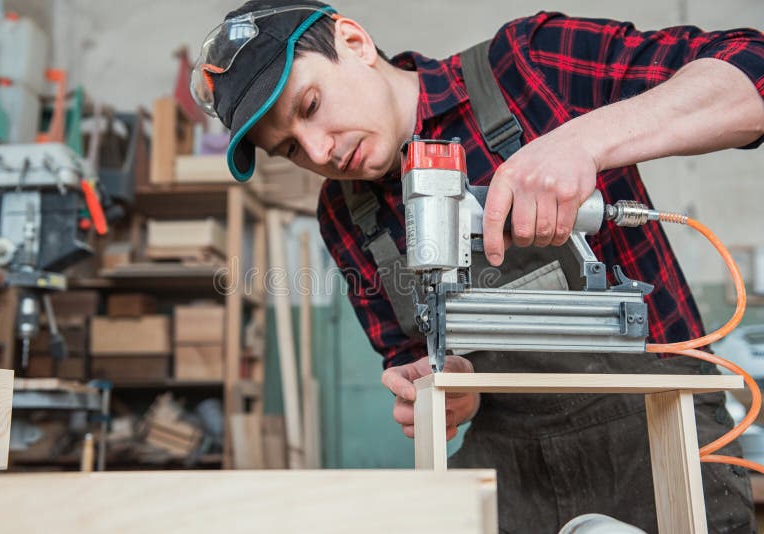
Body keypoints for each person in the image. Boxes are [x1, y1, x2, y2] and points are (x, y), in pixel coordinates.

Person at [191, 1, 764, 531]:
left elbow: (752, 71)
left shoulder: (527, 65)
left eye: (310, 107)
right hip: (514, 470)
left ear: (354, 41)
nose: (319, 153)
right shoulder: (345, 215)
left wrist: (584, 141)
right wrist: (446, 390)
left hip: (658, 438)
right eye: (290, 148)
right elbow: (412, 356)